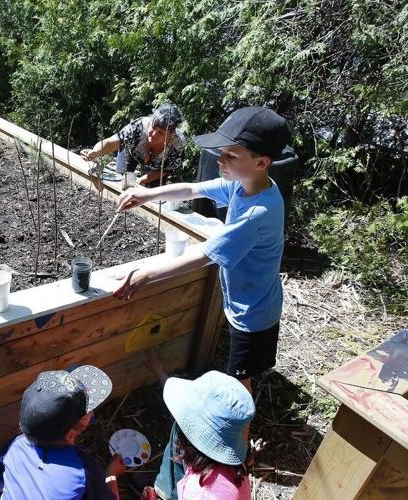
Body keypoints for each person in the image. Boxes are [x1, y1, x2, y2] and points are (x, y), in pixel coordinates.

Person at [113, 106, 291, 431]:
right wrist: (147, 194)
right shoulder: (245, 184)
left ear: (261, 163)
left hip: (253, 313)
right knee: (239, 369)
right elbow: (192, 189)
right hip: (245, 297)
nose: (220, 159)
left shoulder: (259, 213)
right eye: (221, 152)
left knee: (239, 383)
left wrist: (147, 274)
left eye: (230, 155)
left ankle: (239, 440)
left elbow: (206, 254)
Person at [0, 366, 125, 499]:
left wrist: (18, 481)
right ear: (71, 432)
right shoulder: (84, 469)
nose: (92, 413)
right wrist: (111, 473)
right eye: (88, 410)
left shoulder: (16, 445)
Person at [141, 355, 254, 500]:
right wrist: (159, 372)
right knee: (178, 428)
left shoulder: (199, 492)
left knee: (179, 430)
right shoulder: (235, 466)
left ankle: (166, 494)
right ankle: (164, 489)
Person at [80, 102, 185, 187]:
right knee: (122, 181)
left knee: (152, 193)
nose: (154, 134)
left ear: (170, 134)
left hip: (157, 168)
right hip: (131, 153)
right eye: (153, 127)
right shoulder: (138, 127)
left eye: (161, 133)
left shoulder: (177, 144)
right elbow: (112, 142)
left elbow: (164, 170)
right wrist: (95, 152)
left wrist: (141, 180)